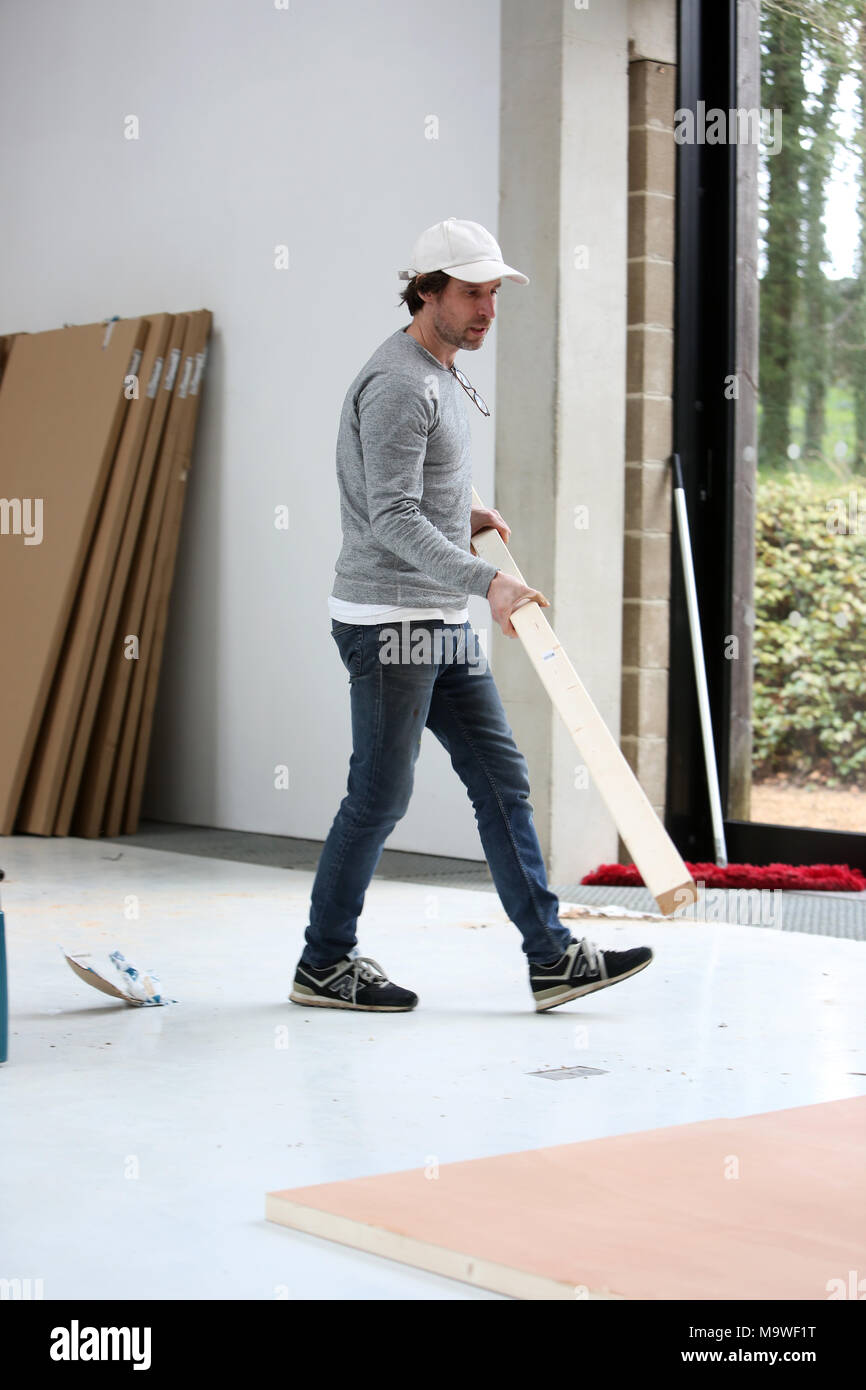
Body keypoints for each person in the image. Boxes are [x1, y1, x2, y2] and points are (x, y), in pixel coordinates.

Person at [290, 218, 653, 1013]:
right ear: (425, 292)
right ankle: (324, 961)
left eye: (493, 293)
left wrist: (469, 513)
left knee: (502, 781)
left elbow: (423, 492)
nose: (488, 308)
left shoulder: (442, 369)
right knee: (380, 797)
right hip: (389, 622)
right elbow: (388, 515)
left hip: (436, 613)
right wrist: (486, 581)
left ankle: (552, 959)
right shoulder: (400, 383)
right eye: (471, 293)